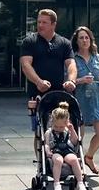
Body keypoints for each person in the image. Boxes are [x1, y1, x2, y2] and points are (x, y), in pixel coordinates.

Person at [20, 9, 77, 145]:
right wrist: (38, 81)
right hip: (37, 93)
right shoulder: (30, 41)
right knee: (39, 130)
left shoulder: (64, 43)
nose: (40, 25)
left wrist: (71, 81)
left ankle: (65, 150)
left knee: (65, 123)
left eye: (44, 22)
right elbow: (26, 65)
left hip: (60, 92)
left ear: (53, 24)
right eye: (39, 22)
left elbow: (71, 64)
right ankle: (42, 156)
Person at [72, 26, 99, 176]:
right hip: (80, 100)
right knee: (78, 136)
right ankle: (77, 163)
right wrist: (80, 80)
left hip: (97, 99)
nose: (84, 40)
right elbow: (67, 79)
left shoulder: (98, 57)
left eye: (87, 37)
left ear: (91, 40)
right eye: (81, 38)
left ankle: (89, 156)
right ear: (76, 41)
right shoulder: (73, 59)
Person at [44, 104, 87, 190]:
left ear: (66, 123)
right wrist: (48, 151)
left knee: (74, 159)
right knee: (58, 160)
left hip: (67, 150)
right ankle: (56, 183)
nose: (59, 129)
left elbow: (75, 142)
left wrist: (72, 130)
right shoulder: (49, 132)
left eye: (61, 127)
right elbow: (46, 144)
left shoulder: (68, 131)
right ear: (52, 122)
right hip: (56, 151)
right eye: (56, 126)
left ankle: (80, 182)